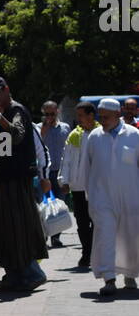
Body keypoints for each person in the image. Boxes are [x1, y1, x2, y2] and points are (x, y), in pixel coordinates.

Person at [0, 76, 49, 291]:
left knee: (19, 229)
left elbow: (18, 135)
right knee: (4, 230)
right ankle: (13, 274)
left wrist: (0, 118)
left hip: (17, 180)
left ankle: (33, 273)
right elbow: (6, 149)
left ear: (6, 90)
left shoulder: (16, 110)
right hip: (3, 178)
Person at [84, 96, 139, 297]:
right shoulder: (94, 137)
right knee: (106, 236)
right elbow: (86, 167)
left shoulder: (134, 135)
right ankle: (109, 278)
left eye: (107, 116)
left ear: (118, 115)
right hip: (102, 197)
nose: (103, 120)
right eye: (101, 116)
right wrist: (87, 196)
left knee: (130, 238)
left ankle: (130, 274)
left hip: (131, 197)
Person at [58, 101, 98, 269]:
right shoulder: (75, 134)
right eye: (78, 115)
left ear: (91, 115)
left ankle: (95, 252)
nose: (78, 119)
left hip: (96, 187)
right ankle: (86, 253)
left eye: (81, 115)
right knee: (81, 223)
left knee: (97, 222)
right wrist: (64, 180)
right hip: (78, 186)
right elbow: (66, 160)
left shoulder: (100, 134)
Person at [35, 101, 71, 246]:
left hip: (60, 172)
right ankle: (42, 236)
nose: (50, 116)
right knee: (43, 206)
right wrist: (45, 125)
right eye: (47, 114)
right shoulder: (38, 127)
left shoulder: (65, 127)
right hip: (45, 173)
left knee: (58, 205)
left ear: (57, 112)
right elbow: (38, 143)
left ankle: (56, 237)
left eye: (52, 113)